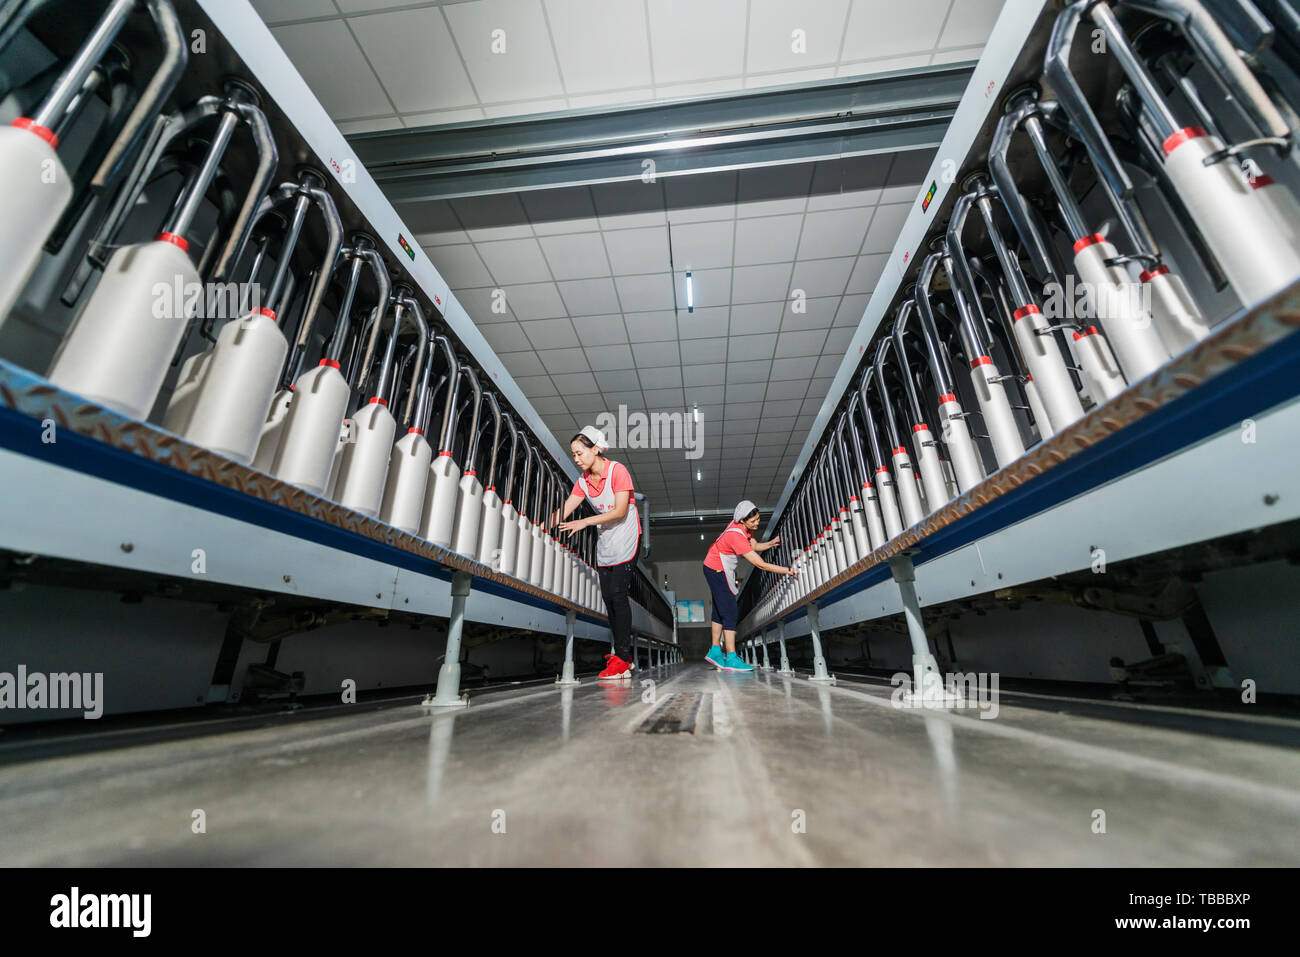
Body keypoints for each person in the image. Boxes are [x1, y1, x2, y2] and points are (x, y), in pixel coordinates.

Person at [556, 426, 640, 679]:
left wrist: (585, 522)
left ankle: (622, 659)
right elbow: (566, 508)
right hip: (606, 540)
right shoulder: (583, 481)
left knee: (618, 594)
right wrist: (540, 524)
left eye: (580, 453)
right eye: (573, 455)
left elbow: (620, 512)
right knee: (608, 598)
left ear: (595, 449)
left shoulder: (617, 471)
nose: (577, 459)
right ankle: (624, 657)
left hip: (626, 536)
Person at [702, 501, 794, 672]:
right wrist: (787, 570)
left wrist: (771, 543)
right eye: (753, 522)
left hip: (712, 566)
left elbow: (753, 546)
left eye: (758, 519)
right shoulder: (735, 535)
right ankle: (731, 657)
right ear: (742, 521)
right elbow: (761, 565)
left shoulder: (744, 527)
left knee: (719, 608)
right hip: (716, 568)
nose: (756, 523)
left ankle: (715, 650)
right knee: (729, 610)